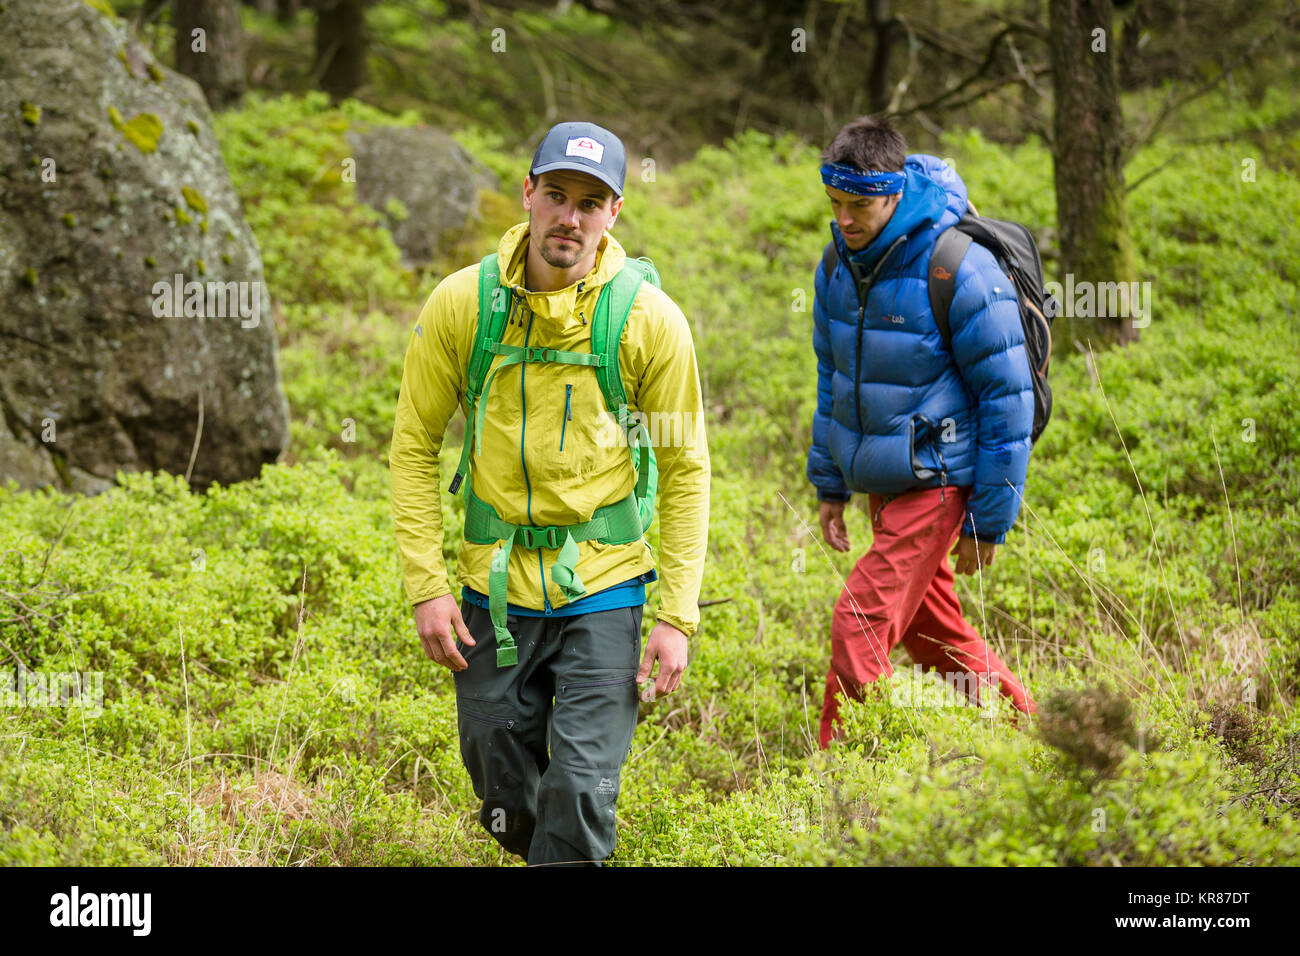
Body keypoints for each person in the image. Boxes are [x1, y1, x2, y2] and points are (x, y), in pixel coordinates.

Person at [388, 121, 710, 864]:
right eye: (558, 195)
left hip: (603, 583)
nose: (571, 218)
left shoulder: (647, 321)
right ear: (528, 193)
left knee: (581, 786)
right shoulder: (463, 305)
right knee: (501, 782)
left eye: (590, 203)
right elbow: (413, 445)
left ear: (614, 213)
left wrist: (678, 616)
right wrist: (425, 585)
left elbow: (687, 466)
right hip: (490, 589)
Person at [807, 116, 1037, 749]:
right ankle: (1038, 739)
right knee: (933, 634)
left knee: (859, 620)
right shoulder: (837, 264)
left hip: (939, 480)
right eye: (835, 203)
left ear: (895, 193)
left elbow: (1006, 399)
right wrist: (830, 483)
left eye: (860, 206)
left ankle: (847, 776)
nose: (845, 218)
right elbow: (834, 380)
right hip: (883, 475)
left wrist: (988, 521)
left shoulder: (957, 266)